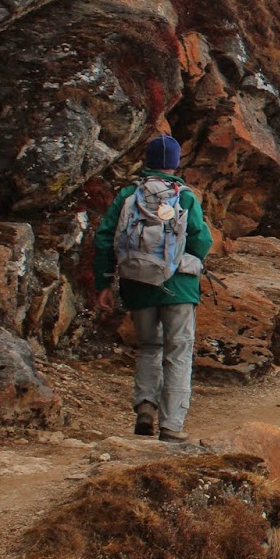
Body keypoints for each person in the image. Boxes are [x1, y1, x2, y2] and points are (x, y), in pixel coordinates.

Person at [93, 135, 213, 442]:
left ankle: (145, 407)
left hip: (138, 284)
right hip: (180, 287)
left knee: (149, 347)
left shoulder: (128, 195)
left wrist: (104, 283)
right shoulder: (184, 197)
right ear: (175, 163)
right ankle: (171, 425)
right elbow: (201, 240)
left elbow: (105, 237)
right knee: (178, 351)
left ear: (146, 160)